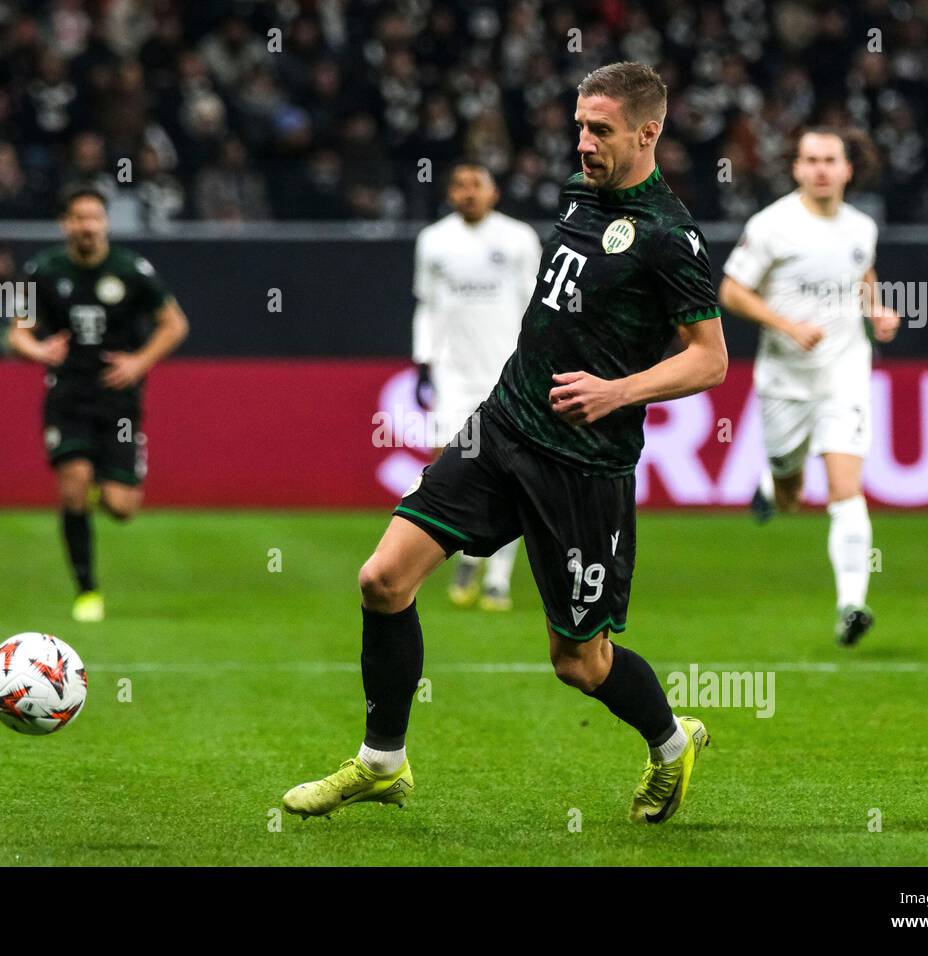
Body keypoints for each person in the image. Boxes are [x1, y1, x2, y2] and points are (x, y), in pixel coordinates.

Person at [284, 62, 727, 825]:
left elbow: (710, 357)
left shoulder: (670, 237)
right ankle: (382, 763)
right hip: (504, 425)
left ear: (649, 132)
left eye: (602, 130)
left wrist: (617, 391)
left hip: (583, 467)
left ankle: (668, 743)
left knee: (578, 663)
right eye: (580, 125)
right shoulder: (580, 194)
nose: (583, 142)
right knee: (383, 580)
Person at [719, 129, 900, 647]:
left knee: (846, 490)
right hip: (784, 383)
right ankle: (770, 485)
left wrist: (876, 311)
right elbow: (731, 290)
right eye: (811, 160)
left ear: (847, 169)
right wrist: (787, 326)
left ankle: (851, 605)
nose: (821, 169)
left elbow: (862, 275)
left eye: (830, 160)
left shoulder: (862, 226)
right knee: (793, 494)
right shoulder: (773, 226)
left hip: (844, 375)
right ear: (797, 169)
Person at [7, 185, 188, 622]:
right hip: (67, 394)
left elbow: (174, 323)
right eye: (78, 218)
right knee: (72, 486)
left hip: (119, 400)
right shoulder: (45, 270)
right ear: (65, 223)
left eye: (94, 217)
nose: (86, 225)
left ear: (105, 223)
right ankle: (87, 591)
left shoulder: (130, 270)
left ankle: (97, 484)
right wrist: (39, 351)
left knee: (122, 507)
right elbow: (17, 331)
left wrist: (140, 362)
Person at [412, 161, 542, 611]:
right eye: (459, 185)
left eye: (476, 185)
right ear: (450, 194)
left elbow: (535, 307)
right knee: (450, 469)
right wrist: (423, 362)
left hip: (505, 374)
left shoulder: (520, 239)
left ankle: (498, 579)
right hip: (452, 374)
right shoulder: (433, 241)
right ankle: (467, 554)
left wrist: (537, 362)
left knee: (513, 474)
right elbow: (426, 305)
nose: (468, 193)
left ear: (494, 192)